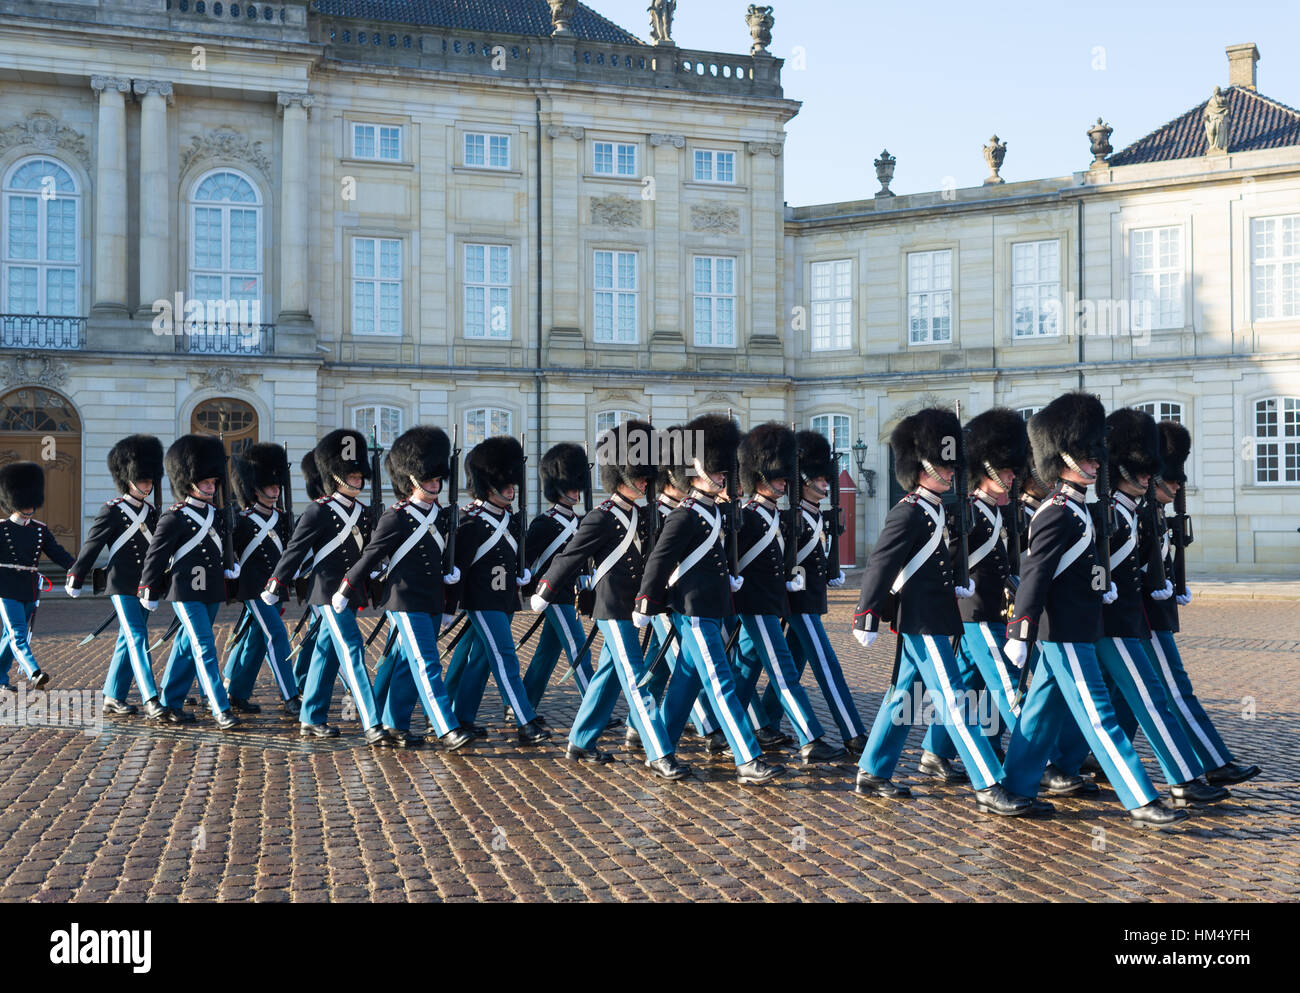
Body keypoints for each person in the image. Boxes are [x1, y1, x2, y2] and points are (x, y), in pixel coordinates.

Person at [1000, 393, 1188, 828]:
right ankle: (1140, 799)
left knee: (1041, 714)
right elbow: (1035, 574)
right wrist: (1020, 628)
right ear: (1064, 456)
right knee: (1100, 717)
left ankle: (1013, 785)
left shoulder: (1081, 508)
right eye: (1088, 455)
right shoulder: (1057, 511)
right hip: (1062, 632)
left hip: (1079, 628)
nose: (1097, 462)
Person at [852, 407, 1031, 817]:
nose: (951, 473)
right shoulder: (909, 509)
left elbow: (937, 559)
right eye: (942, 466)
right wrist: (867, 612)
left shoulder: (935, 507)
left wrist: (956, 579)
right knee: (954, 701)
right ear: (920, 467)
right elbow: (882, 561)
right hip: (922, 618)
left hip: (936, 613)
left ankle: (872, 770)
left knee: (907, 695)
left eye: (953, 466)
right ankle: (987, 783)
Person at [531, 420, 690, 780]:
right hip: (613, 607)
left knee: (607, 676)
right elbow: (569, 557)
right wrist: (546, 591)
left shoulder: (643, 514)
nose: (646, 483)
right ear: (621, 476)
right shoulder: (601, 517)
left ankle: (581, 740)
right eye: (640, 478)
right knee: (636, 681)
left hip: (632, 606)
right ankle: (659, 752)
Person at [636, 413, 785, 786]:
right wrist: (646, 601)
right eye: (718, 471)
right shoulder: (685, 516)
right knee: (721, 683)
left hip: (709, 610)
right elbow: (659, 560)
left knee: (686, 681)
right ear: (698, 468)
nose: (724, 476)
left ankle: (660, 748)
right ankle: (747, 757)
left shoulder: (711, 510)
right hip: (694, 611)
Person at [1141, 420, 1260, 786]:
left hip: (1150, 615)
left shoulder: (1157, 513)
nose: (1178, 485)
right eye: (1172, 479)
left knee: (1127, 701)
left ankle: (1070, 760)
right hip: (1142, 619)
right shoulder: (1137, 515)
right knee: (1176, 688)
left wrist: (1175, 585)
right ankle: (1213, 762)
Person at [344, 426, 474, 751]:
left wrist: (449, 602)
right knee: (427, 663)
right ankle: (447, 727)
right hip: (403, 600)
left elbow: (449, 561)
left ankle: (394, 723)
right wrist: (347, 586)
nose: (435, 483)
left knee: (405, 665)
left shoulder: (445, 517)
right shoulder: (396, 517)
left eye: (436, 478)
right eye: (428, 479)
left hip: (431, 599)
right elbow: (371, 555)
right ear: (413, 479)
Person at [264, 429, 392, 745]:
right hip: (325, 591)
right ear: (336, 476)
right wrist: (277, 582)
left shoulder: (363, 513)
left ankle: (311, 717)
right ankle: (371, 722)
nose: (359, 480)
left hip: (349, 592)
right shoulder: (318, 510)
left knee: (326, 652)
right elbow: (295, 550)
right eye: (352, 474)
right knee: (352, 649)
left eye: (361, 474)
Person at [731, 422, 845, 764]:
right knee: (782, 672)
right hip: (755, 602)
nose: (785, 483)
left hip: (772, 602)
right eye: (779, 478)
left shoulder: (774, 514)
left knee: (745, 670)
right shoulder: (749, 515)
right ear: (760, 477)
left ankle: (725, 726)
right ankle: (810, 738)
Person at [757, 430, 867, 752]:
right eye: (819, 478)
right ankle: (851, 731)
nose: (826, 483)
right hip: (798, 601)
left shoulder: (816, 514)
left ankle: (766, 722)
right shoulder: (791, 517)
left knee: (793, 660)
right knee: (827, 665)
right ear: (804, 480)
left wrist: (828, 575)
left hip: (811, 598)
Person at [444, 435, 549, 744]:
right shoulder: (471, 520)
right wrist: (448, 608)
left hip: (504, 600)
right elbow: (456, 569)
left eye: (511, 483)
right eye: (504, 483)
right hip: (481, 600)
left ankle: (461, 715)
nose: (511, 488)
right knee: (506, 657)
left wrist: (525, 576)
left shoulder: (510, 520)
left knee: (480, 659)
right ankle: (524, 720)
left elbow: (516, 560)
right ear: (488, 484)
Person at [137, 435, 240, 729]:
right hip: (183, 589)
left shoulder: (219, 516)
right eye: (205, 483)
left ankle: (170, 702)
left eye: (213, 483)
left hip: (211, 588)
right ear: (190, 482)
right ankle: (220, 706)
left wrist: (232, 565)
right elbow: (155, 557)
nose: (211, 488)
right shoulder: (175, 517)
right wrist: (148, 588)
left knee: (185, 645)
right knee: (205, 645)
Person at [65, 435, 167, 719]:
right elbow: (92, 545)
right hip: (121, 582)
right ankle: (150, 696)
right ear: (128, 478)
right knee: (137, 636)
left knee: (127, 638)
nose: (148, 486)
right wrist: (77, 575)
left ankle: (112, 696)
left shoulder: (152, 512)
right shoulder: (112, 510)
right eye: (143, 481)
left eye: (150, 481)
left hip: (146, 584)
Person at [222, 443, 300, 716]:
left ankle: (235, 691)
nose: (276, 489)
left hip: (275, 588)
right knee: (276, 634)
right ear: (255, 488)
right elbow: (230, 552)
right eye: (270, 485)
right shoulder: (243, 520)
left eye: (277, 484)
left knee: (254, 638)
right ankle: (290, 694)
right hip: (254, 588)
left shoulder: (282, 518)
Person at [520, 442, 594, 713]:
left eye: (578, 486)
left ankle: (524, 703)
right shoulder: (544, 522)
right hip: (554, 594)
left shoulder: (581, 522)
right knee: (579, 649)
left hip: (571, 595)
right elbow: (526, 557)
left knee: (546, 655)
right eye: (571, 487)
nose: (575, 492)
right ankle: (593, 706)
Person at [0, 461, 75, 693]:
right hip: (5, 586)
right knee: (18, 634)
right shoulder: (1, 529)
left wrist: (78, 569)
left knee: (9, 637)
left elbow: (59, 554)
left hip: (30, 588)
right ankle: (34, 673)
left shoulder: (40, 529)